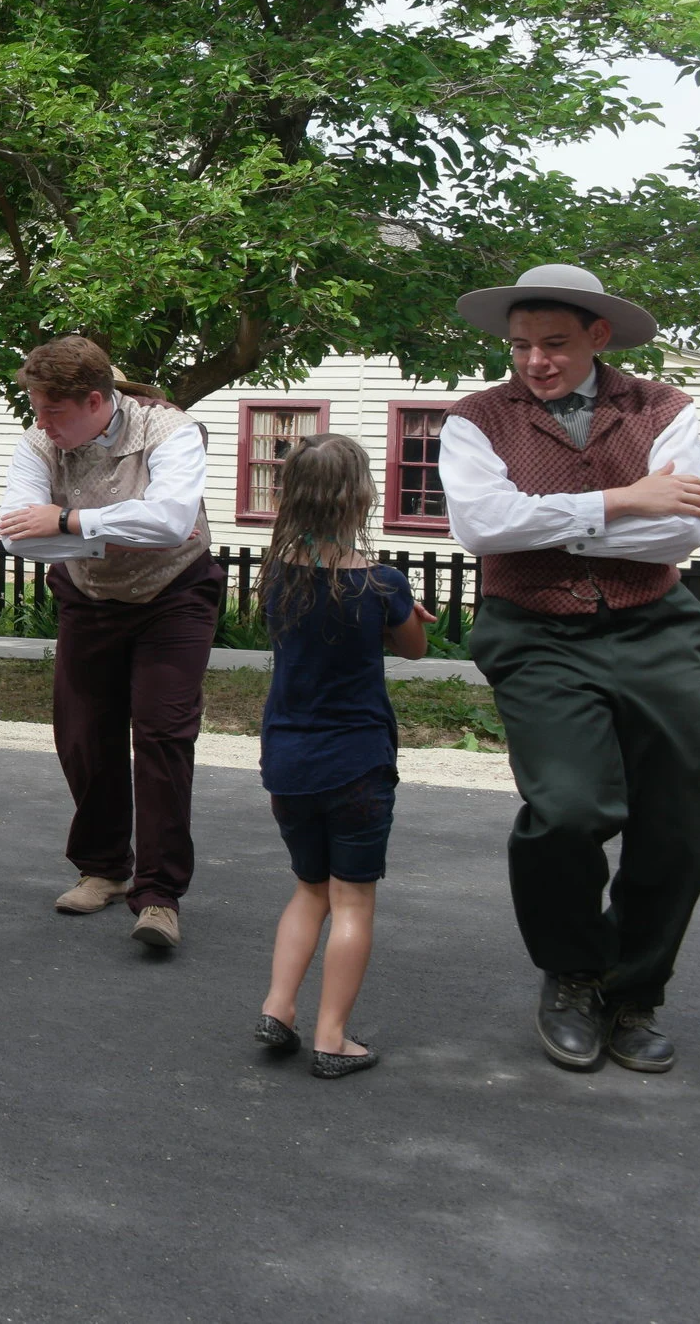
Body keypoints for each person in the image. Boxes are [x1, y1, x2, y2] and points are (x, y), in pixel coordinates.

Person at [439, 263, 700, 1074]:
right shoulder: (477, 419)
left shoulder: (667, 409)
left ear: (598, 336)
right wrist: (625, 501)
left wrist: (547, 522)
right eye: (520, 344)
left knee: (687, 816)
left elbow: (680, 536)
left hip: (657, 623)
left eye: (554, 343)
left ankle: (634, 990)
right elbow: (484, 527)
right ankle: (572, 971)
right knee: (567, 807)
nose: (534, 361)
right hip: (534, 628)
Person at [0, 336, 217, 951]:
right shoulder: (41, 439)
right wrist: (108, 539)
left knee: (162, 734)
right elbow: (18, 535)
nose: (41, 423)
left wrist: (69, 522)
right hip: (89, 600)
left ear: (96, 400)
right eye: (36, 408)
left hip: (174, 594)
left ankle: (160, 894)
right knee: (83, 734)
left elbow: (172, 520)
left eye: (53, 411)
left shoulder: (169, 430)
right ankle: (105, 868)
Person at [252, 435, 432, 1080]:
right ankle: (332, 1038)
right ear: (362, 496)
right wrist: (406, 612)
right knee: (352, 900)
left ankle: (279, 1007)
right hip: (357, 763)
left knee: (309, 888)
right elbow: (412, 648)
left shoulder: (277, 578)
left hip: (289, 763)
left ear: (289, 495)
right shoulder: (381, 582)